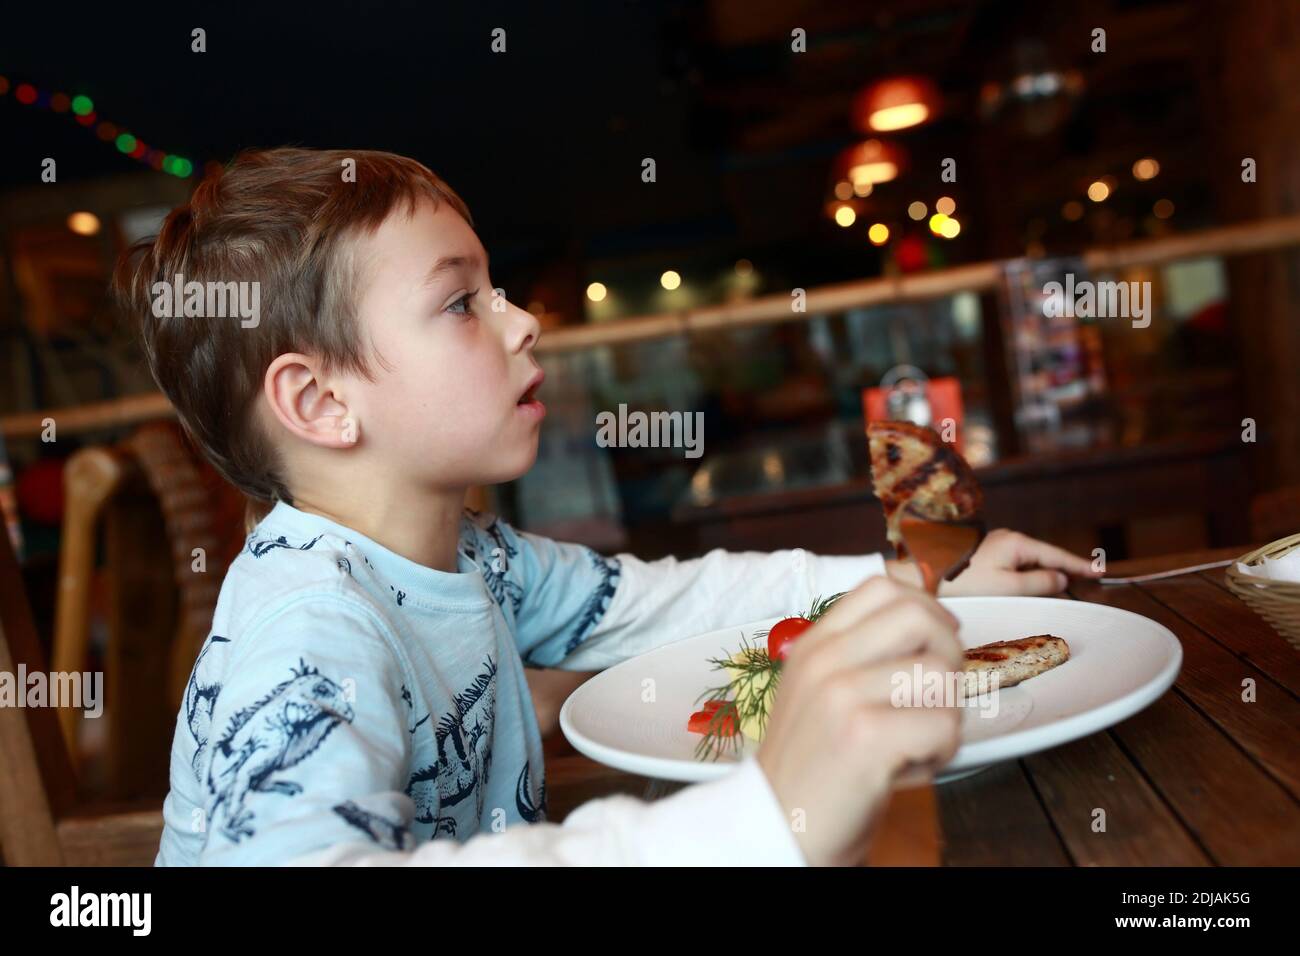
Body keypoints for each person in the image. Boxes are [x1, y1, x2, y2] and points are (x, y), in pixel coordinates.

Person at [113, 147, 1098, 866]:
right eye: (462, 303)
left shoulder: (474, 555)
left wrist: (919, 580)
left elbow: (666, 604)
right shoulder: (305, 625)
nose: (524, 318)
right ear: (323, 403)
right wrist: (764, 813)